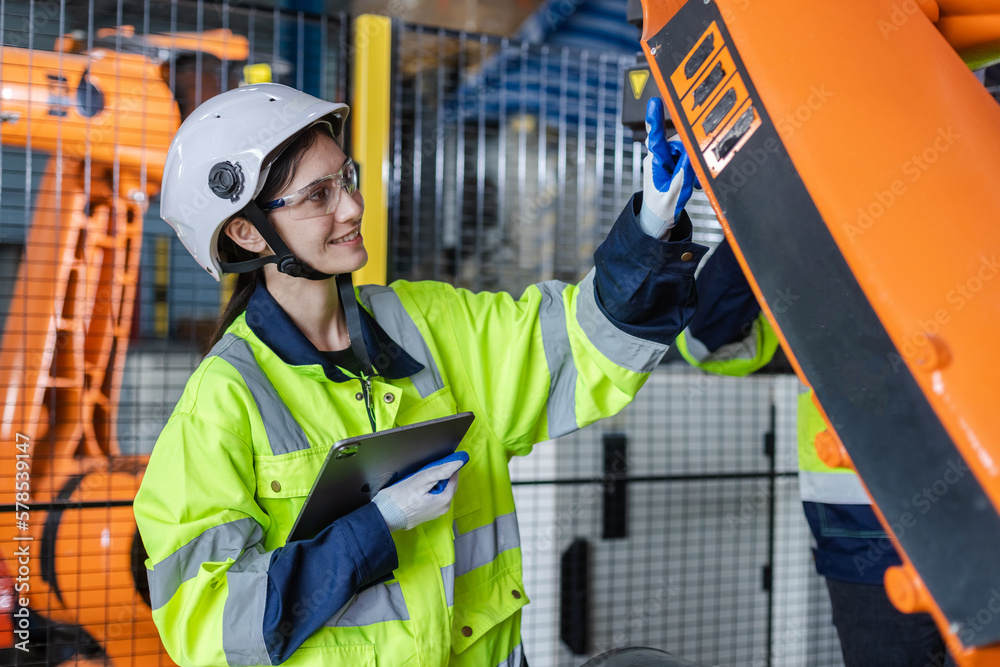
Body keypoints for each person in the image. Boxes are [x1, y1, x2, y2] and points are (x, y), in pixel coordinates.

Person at [133, 85, 706, 667]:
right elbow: (211, 628)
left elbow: (578, 345)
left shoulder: (430, 323)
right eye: (318, 196)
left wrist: (651, 227)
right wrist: (376, 526)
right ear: (247, 233)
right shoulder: (223, 402)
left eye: (346, 179)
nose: (352, 206)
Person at [676, 239, 953, 667]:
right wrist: (754, 225)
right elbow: (704, 342)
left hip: (883, 523)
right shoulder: (799, 231)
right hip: (865, 528)